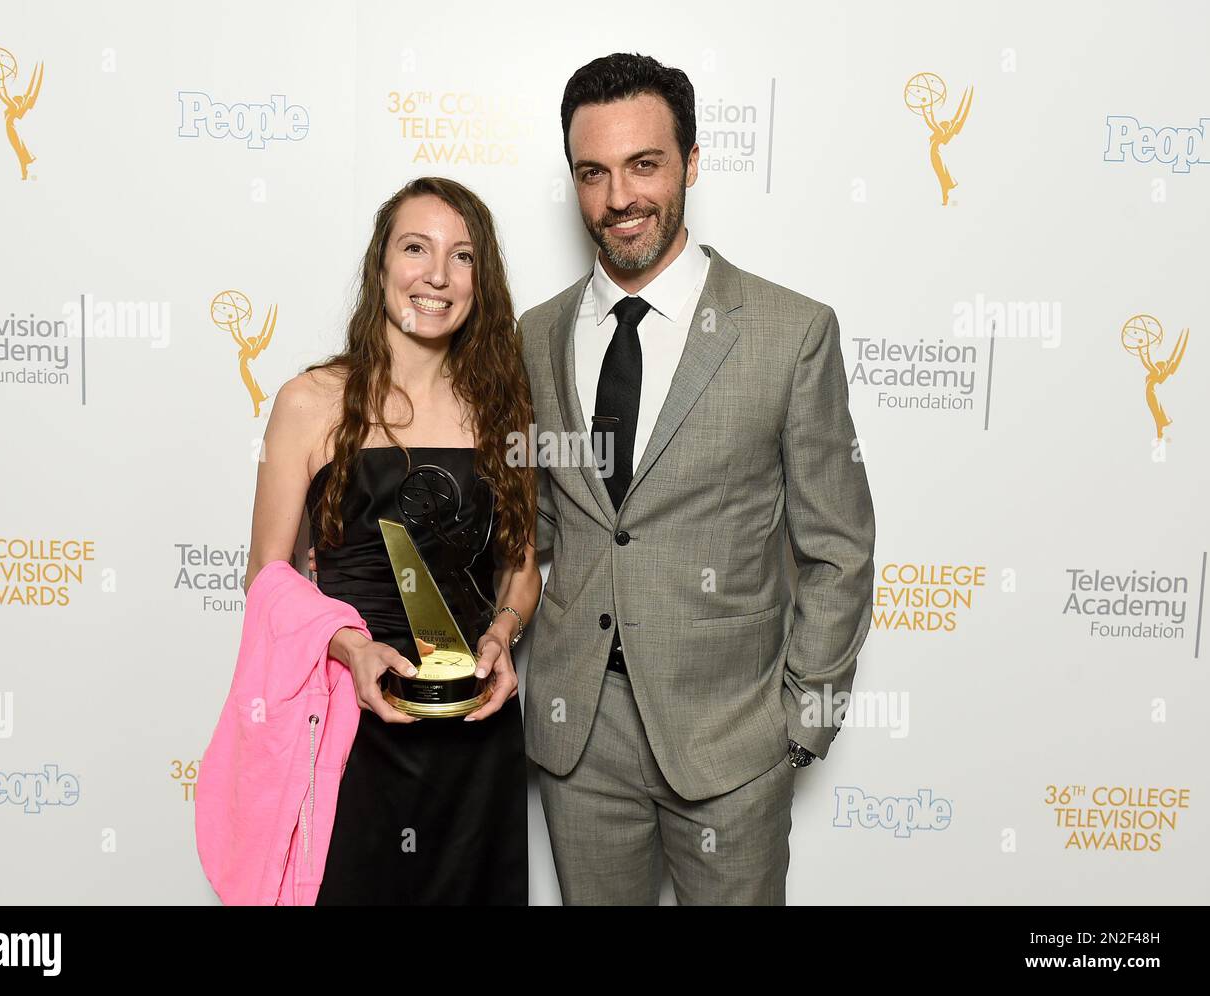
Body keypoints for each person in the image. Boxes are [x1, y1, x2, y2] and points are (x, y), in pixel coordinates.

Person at [517, 53, 876, 905]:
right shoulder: (535, 335)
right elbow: (530, 528)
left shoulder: (790, 332)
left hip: (731, 742)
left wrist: (799, 728)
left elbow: (839, 548)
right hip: (579, 744)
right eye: (592, 172)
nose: (619, 197)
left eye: (645, 164)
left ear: (692, 162)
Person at [244, 176, 540, 905]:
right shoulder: (310, 402)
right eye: (417, 248)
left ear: (482, 279)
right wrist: (350, 647)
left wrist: (504, 634)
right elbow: (265, 575)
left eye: (462, 256)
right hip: (353, 726)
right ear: (381, 265)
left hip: (477, 736)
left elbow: (523, 568)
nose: (437, 275)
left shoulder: (506, 408)